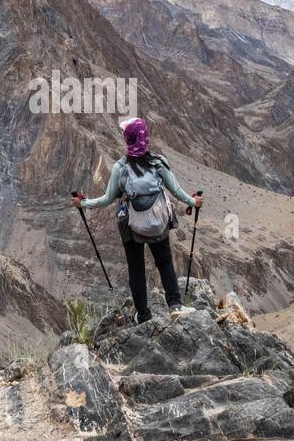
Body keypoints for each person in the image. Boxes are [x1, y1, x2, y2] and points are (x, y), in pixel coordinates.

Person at [72, 117, 203, 323]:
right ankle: (175, 305)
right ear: (145, 139)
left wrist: (84, 204)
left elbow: (107, 199)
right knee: (165, 262)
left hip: (130, 225)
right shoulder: (158, 163)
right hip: (158, 222)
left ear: (128, 140)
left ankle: (143, 315)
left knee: (136, 269)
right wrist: (193, 202)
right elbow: (176, 191)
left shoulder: (120, 168)